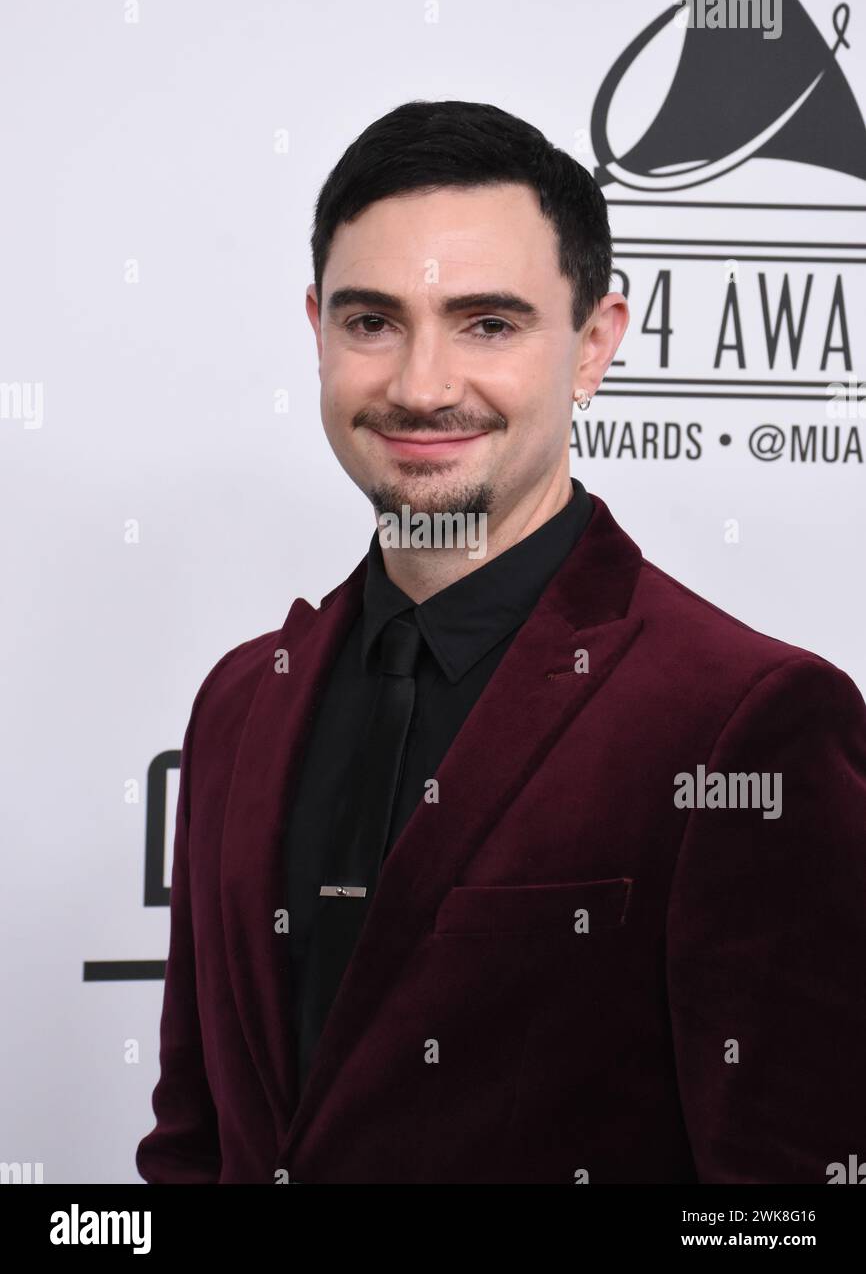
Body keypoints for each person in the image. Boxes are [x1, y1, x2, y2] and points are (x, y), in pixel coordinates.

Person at [136, 100, 866, 1184]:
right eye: (372, 321)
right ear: (317, 329)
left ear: (593, 345)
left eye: (487, 323)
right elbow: (195, 1149)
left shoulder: (743, 721)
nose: (422, 385)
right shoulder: (242, 701)